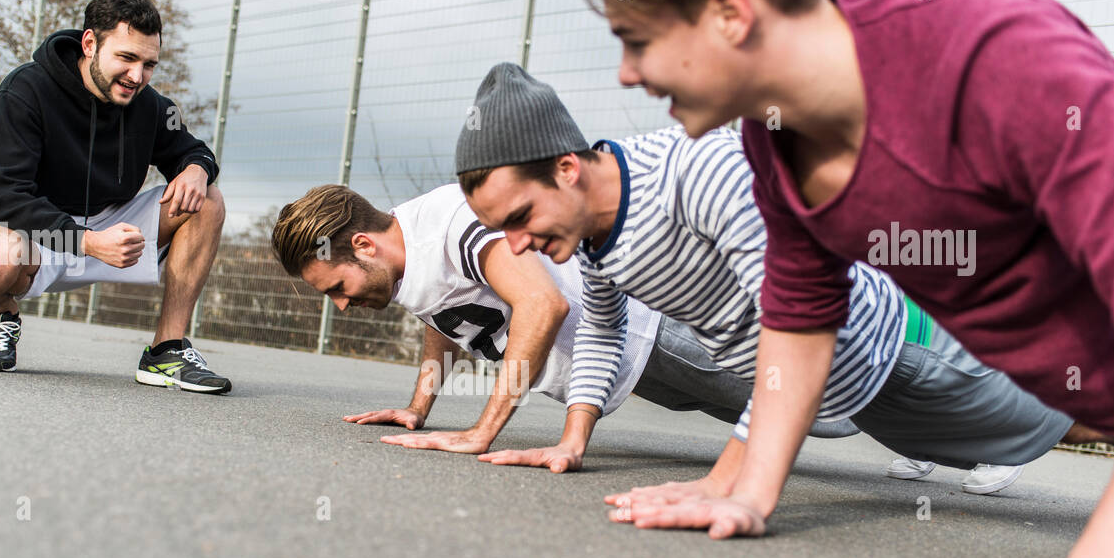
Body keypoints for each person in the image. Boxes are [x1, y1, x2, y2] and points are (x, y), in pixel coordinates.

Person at [574, 0, 1114, 558]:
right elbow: (800, 315)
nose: (627, 73)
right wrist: (748, 491)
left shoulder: (991, 53)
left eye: (637, 41)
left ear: (732, 14)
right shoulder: (772, 142)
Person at [454, 64, 1079, 503]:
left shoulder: (692, 170)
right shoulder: (591, 239)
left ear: (567, 169)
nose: (516, 246)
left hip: (902, 353)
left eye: (519, 219)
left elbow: (799, 313)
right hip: (855, 392)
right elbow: (602, 326)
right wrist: (572, 441)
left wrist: (729, 476)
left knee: (1078, 413)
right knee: (1013, 444)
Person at [271, 182, 820, 452]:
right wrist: (420, 407)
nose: (342, 306)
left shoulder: (452, 227)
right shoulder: (405, 254)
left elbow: (542, 303)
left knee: (826, 402)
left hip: (655, 340)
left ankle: (899, 402)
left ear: (364, 246)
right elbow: (436, 313)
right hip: (623, 371)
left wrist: (481, 431)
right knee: (779, 417)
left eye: (337, 289)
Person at [0, 0, 231, 393]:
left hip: (109, 223)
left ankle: (166, 351)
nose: (137, 76)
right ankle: (0, 316)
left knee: (207, 200)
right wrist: (86, 241)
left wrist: (197, 167)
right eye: (126, 58)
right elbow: (5, 198)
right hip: (33, 230)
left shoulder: (154, 106)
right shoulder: (24, 91)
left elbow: (190, 147)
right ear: (90, 43)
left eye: (149, 64)